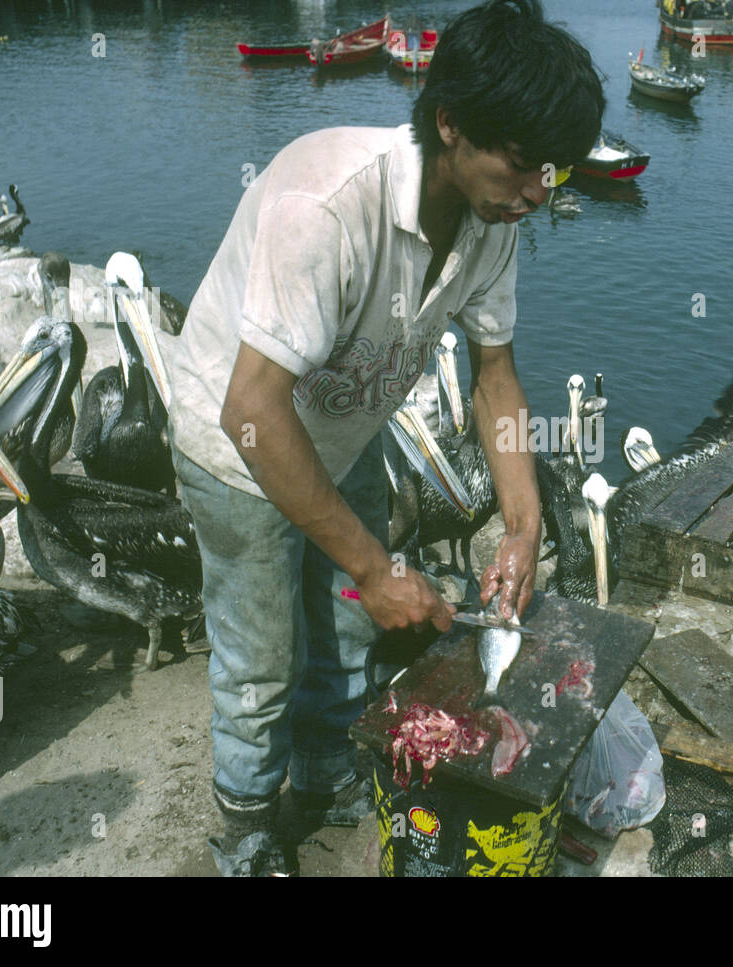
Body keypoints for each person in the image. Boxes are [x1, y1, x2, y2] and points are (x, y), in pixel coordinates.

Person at [165, 0, 604, 876]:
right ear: (450, 124)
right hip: (238, 440)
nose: (538, 193)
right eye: (522, 165)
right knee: (261, 659)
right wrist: (375, 565)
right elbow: (252, 409)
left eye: (552, 171)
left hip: (341, 429)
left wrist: (519, 529)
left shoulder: (495, 218)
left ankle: (328, 780)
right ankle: (248, 830)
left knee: (347, 626)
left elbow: (496, 378)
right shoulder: (325, 204)